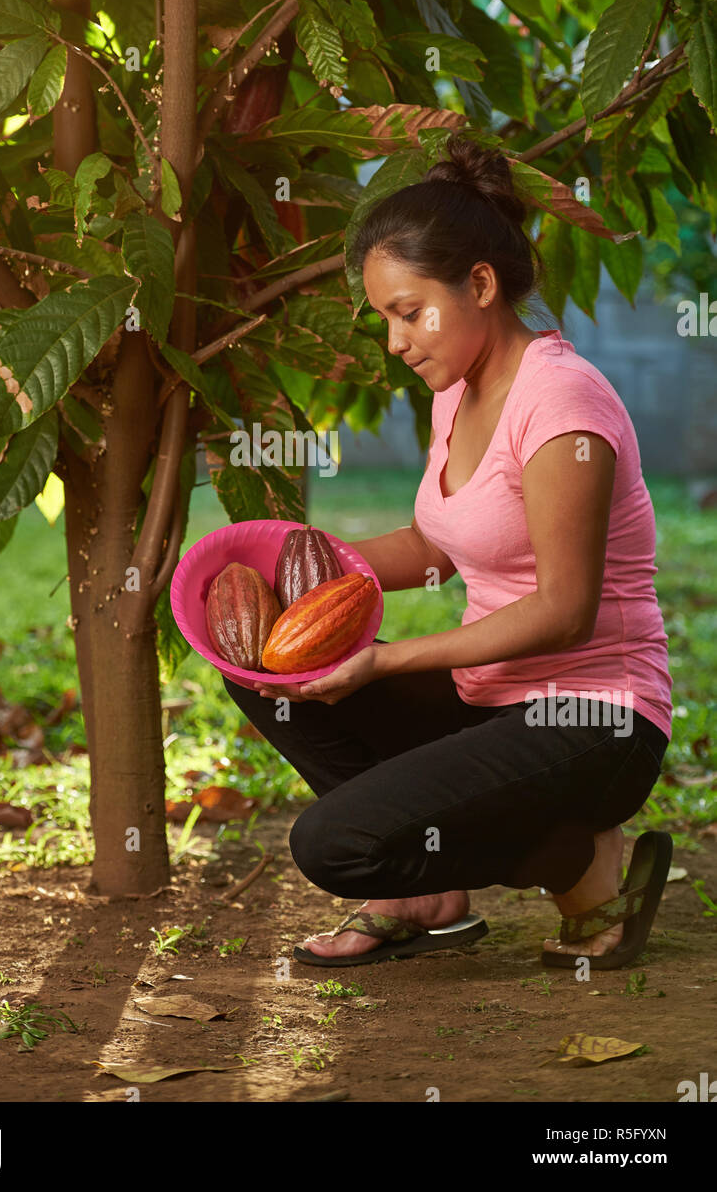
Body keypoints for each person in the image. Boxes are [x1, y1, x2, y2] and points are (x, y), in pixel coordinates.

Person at [223, 134, 674, 970]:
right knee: (264, 669)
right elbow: (438, 547)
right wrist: (296, 561)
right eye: (383, 318)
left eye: (407, 311)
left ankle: (580, 863)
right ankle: (425, 892)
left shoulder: (561, 404)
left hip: (595, 721)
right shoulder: (459, 390)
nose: (394, 341)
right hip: (491, 701)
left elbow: (564, 611)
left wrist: (386, 664)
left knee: (331, 845)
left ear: (479, 284)